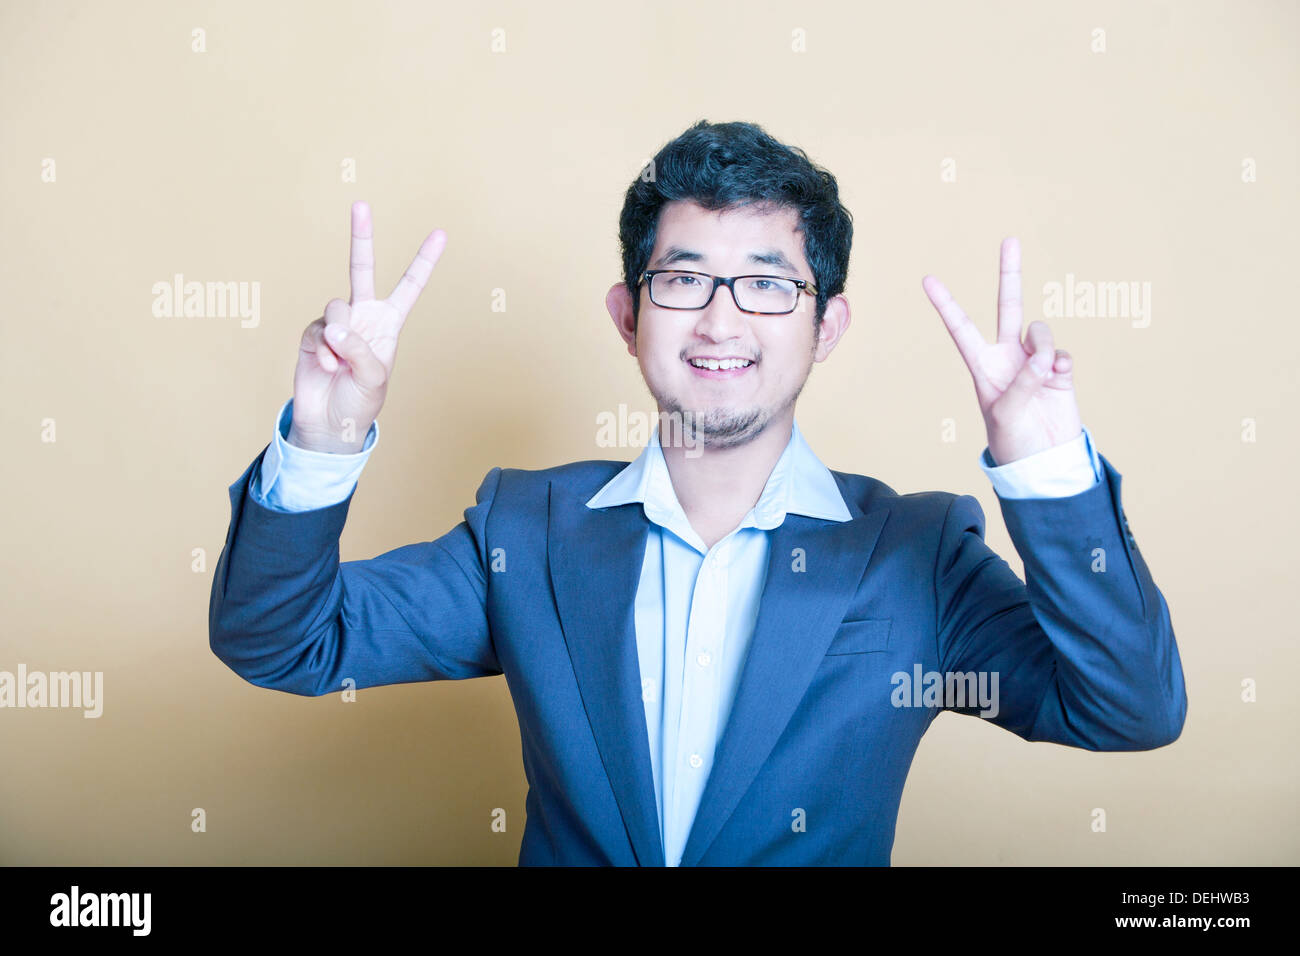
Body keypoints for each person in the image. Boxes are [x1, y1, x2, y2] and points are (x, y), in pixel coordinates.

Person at [209, 120, 1186, 866]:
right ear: (628, 317)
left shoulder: (914, 554)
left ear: (827, 324)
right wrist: (327, 431)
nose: (721, 319)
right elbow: (283, 640)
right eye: (683, 281)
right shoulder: (525, 528)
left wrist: (1045, 464)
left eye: (766, 284)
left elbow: (1127, 708)